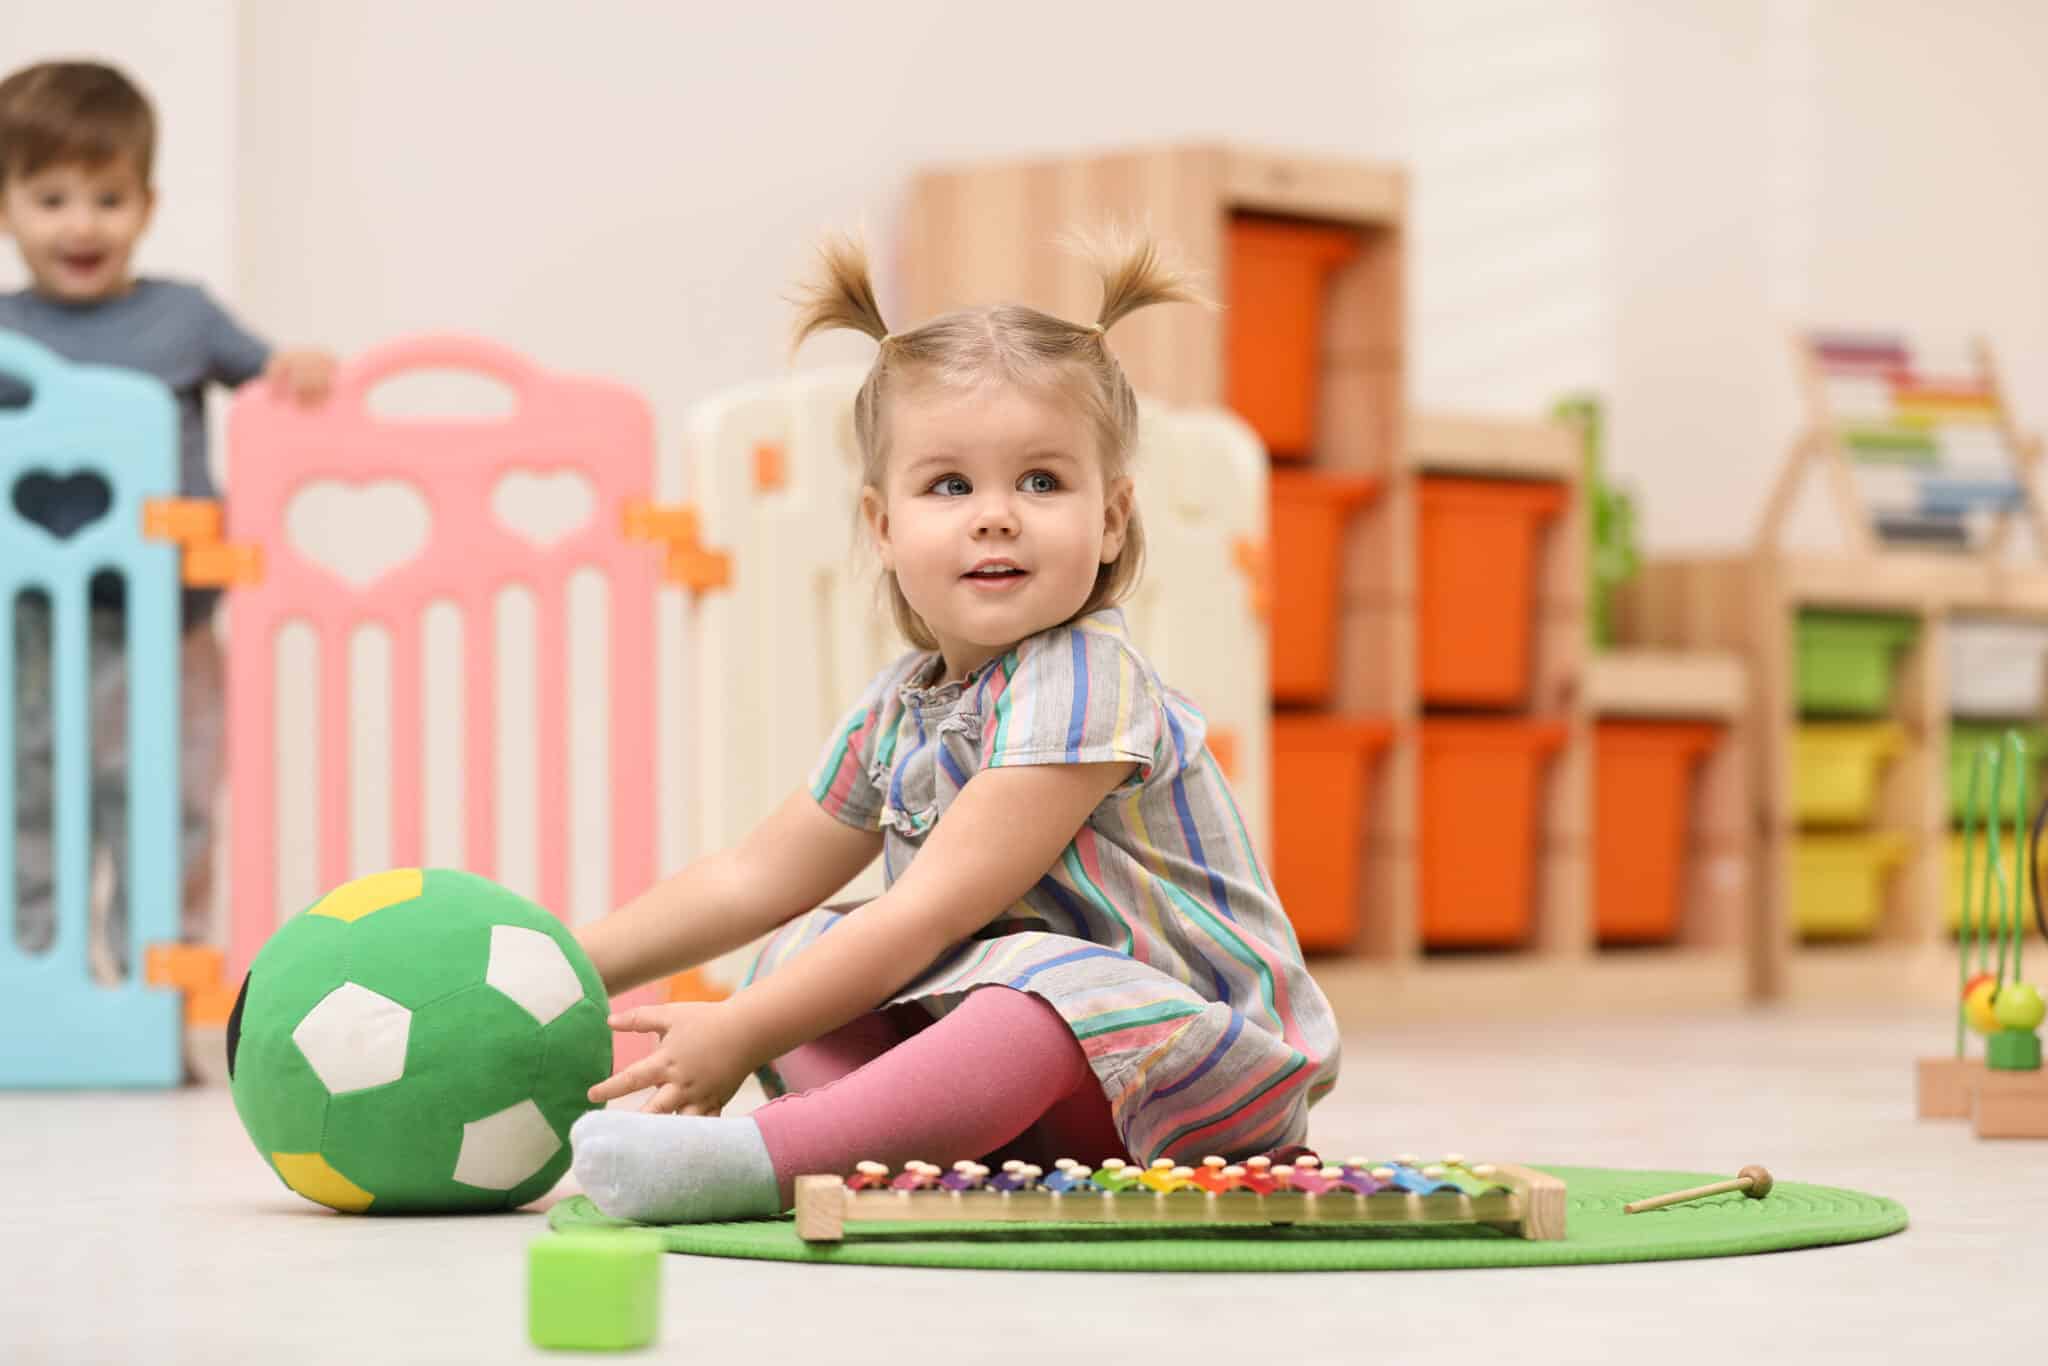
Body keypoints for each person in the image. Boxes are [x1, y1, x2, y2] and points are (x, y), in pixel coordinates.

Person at [568, 231, 1340, 1223]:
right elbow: (750, 877)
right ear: (881, 526)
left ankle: (762, 1159)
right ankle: (891, 1134)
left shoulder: (1084, 685)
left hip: (1186, 1067)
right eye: (948, 485)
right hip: (1033, 1073)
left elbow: (924, 914)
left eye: (1040, 481)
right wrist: (562, 968)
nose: (994, 516)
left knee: (1006, 1000)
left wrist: (739, 1034)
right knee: (793, 955)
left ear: (1111, 518)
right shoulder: (900, 706)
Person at [0, 59, 335, 979]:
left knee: (171, 795)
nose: (81, 224)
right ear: (6, 207)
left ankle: (161, 975)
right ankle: (37, 979)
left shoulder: (182, 317)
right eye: (51, 196)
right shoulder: (8, 333)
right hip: (38, 620)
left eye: (107, 197)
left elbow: (269, 378)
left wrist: (297, 369)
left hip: (174, 618)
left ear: (146, 207)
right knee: (35, 795)